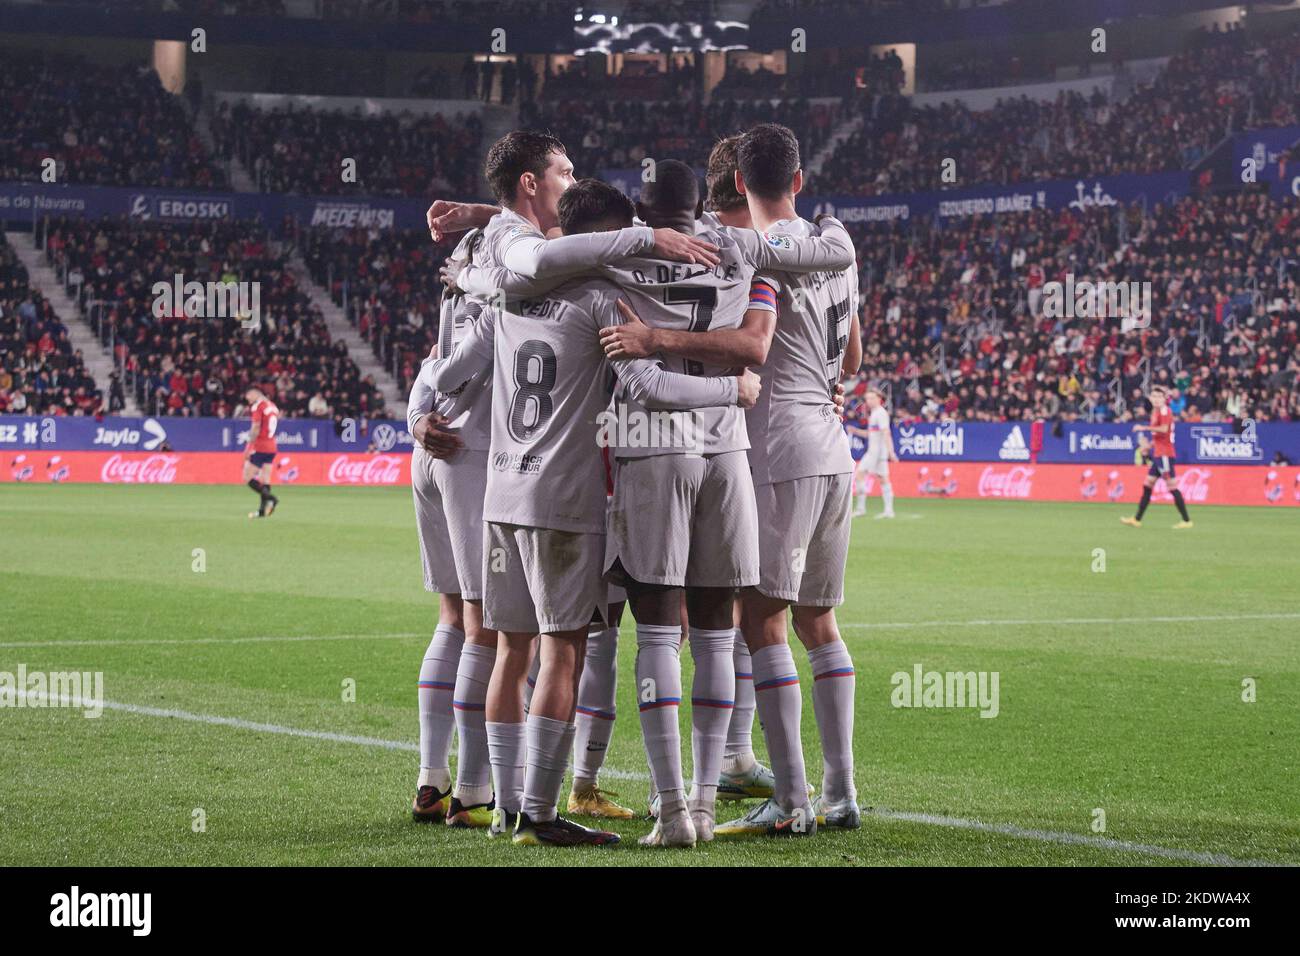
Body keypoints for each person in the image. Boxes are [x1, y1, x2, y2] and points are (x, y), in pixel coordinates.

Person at [433, 177, 760, 846]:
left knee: (509, 652)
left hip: (501, 499)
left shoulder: (505, 298)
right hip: (562, 502)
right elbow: (647, 383)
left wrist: (419, 413)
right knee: (562, 656)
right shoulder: (597, 300)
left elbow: (445, 372)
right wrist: (734, 389)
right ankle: (543, 815)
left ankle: (499, 808)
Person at [1122, 384, 1193, 529]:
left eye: (1159, 397)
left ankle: (1186, 521)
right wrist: (1148, 446)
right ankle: (1137, 519)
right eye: (1154, 396)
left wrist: (1144, 428)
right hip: (1158, 454)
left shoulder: (1165, 411)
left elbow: (1164, 429)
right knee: (1147, 484)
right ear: (1150, 398)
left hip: (1165, 455)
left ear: (1164, 399)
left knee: (1172, 487)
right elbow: (1159, 436)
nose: (1156, 399)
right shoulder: (1155, 412)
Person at [242, 386, 279, 518]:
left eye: (248, 395)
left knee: (247, 477)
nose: (247, 399)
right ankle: (262, 511)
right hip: (272, 445)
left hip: (261, 446)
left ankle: (272, 499)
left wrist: (248, 447)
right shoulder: (273, 406)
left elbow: (256, 427)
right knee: (265, 479)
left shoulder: (258, 406)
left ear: (254, 394)